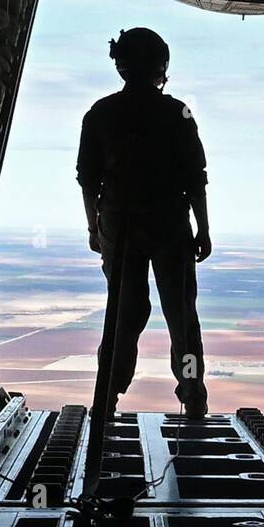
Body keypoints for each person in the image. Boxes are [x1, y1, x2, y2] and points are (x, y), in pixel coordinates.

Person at [76, 27, 211, 419]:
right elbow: (195, 177)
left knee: (124, 313)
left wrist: (94, 228)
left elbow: (89, 179)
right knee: (181, 316)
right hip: (169, 226)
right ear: (160, 66)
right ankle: (193, 394)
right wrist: (203, 228)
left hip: (118, 228)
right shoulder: (177, 112)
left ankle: (106, 398)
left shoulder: (100, 113)